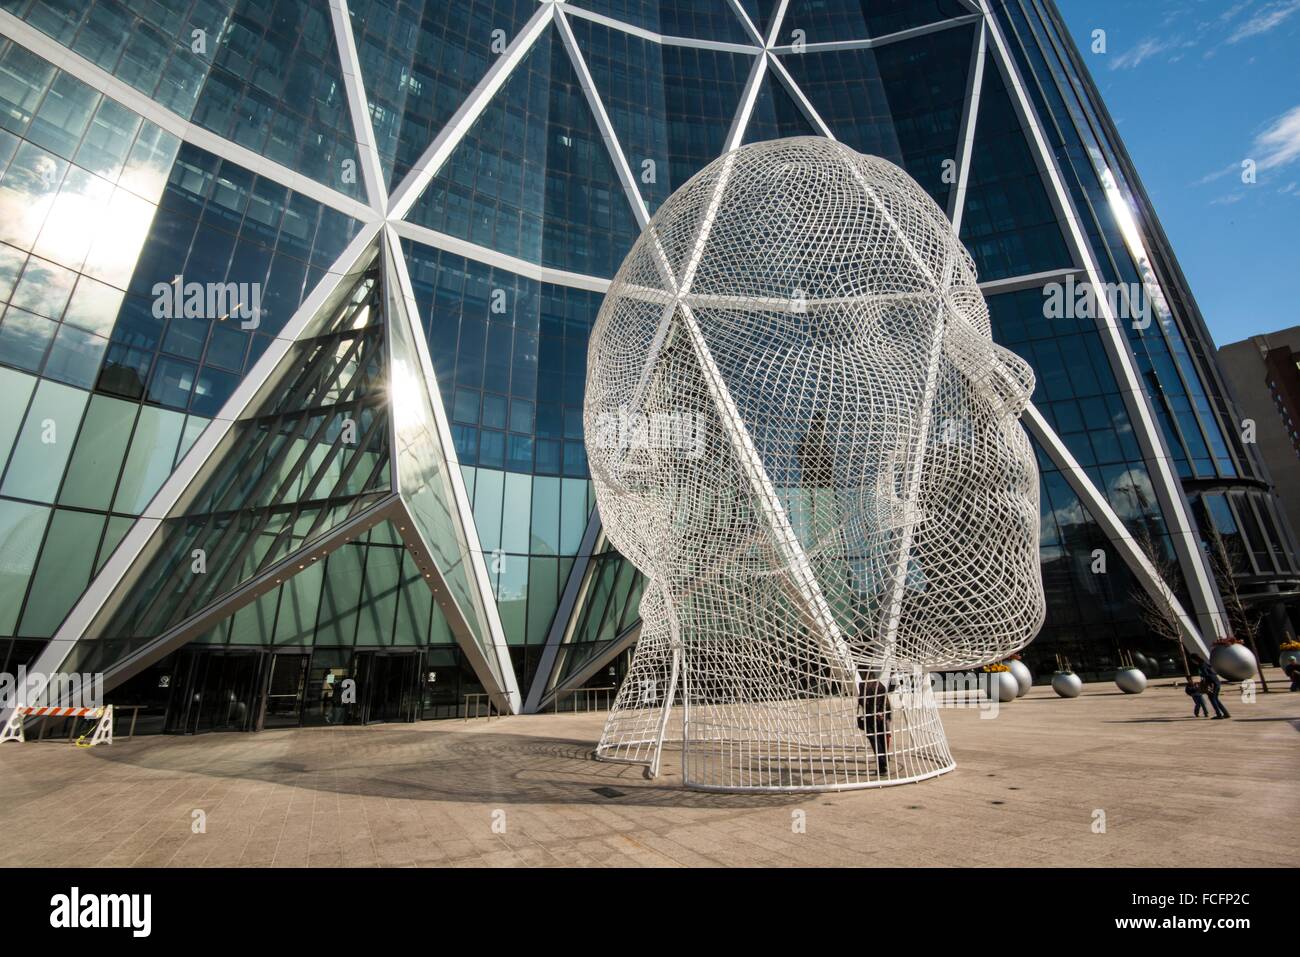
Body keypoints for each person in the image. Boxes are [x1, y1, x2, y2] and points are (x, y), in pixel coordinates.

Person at [858, 673, 892, 775]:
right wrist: (884, 714)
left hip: (870, 718)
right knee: (881, 739)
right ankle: (884, 761)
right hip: (881, 717)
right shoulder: (880, 685)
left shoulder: (863, 686)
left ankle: (882, 766)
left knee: (875, 741)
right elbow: (886, 702)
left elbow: (862, 701)